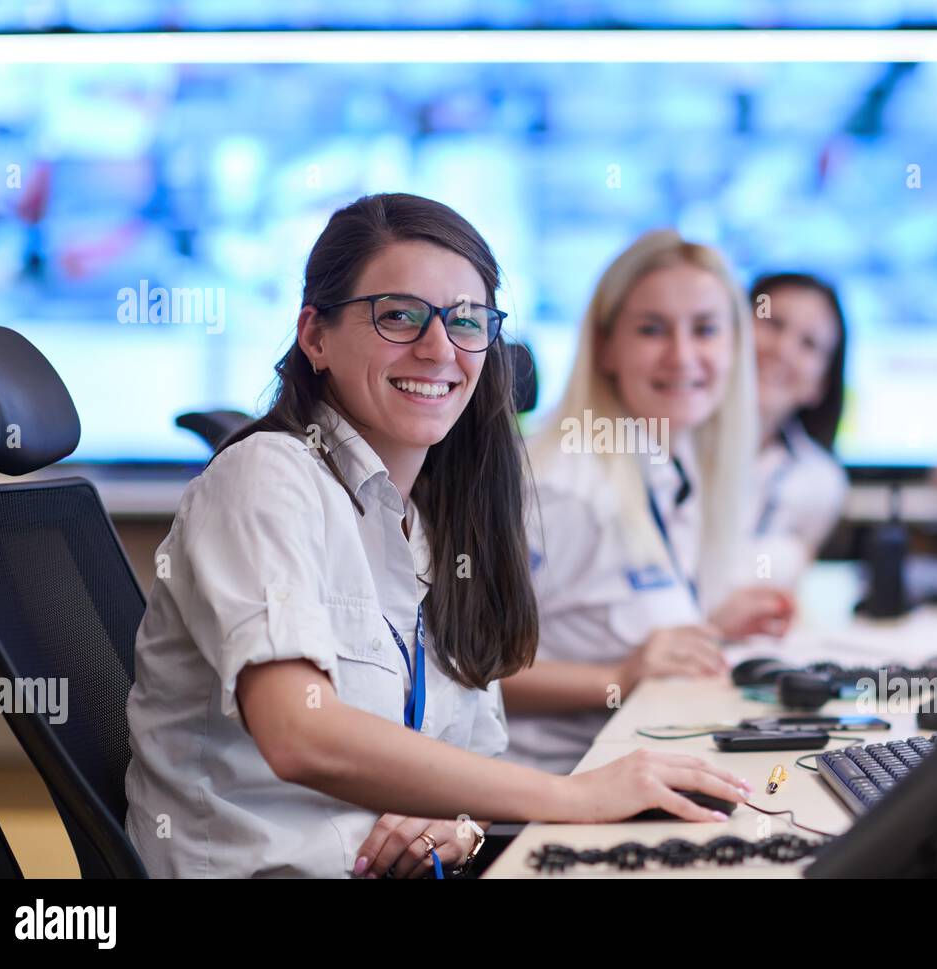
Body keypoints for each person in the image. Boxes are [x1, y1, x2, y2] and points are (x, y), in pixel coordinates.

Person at [124, 195, 750, 879]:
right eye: (399, 315)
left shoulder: (432, 524)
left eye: (466, 321)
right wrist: (573, 797)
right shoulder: (265, 477)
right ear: (315, 336)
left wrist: (458, 824)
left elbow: (473, 764)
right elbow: (298, 731)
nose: (439, 347)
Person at [503, 230, 795, 775]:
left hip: (637, 768)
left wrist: (708, 625)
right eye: (651, 329)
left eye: (705, 329)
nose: (682, 356)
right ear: (607, 347)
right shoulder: (563, 487)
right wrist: (620, 677)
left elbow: (600, 619)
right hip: (540, 802)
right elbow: (469, 676)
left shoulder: (671, 462)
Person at [744, 272, 851, 587]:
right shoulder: (662, 447)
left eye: (809, 343)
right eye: (772, 323)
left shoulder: (821, 483)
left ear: (821, 383)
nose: (783, 349)